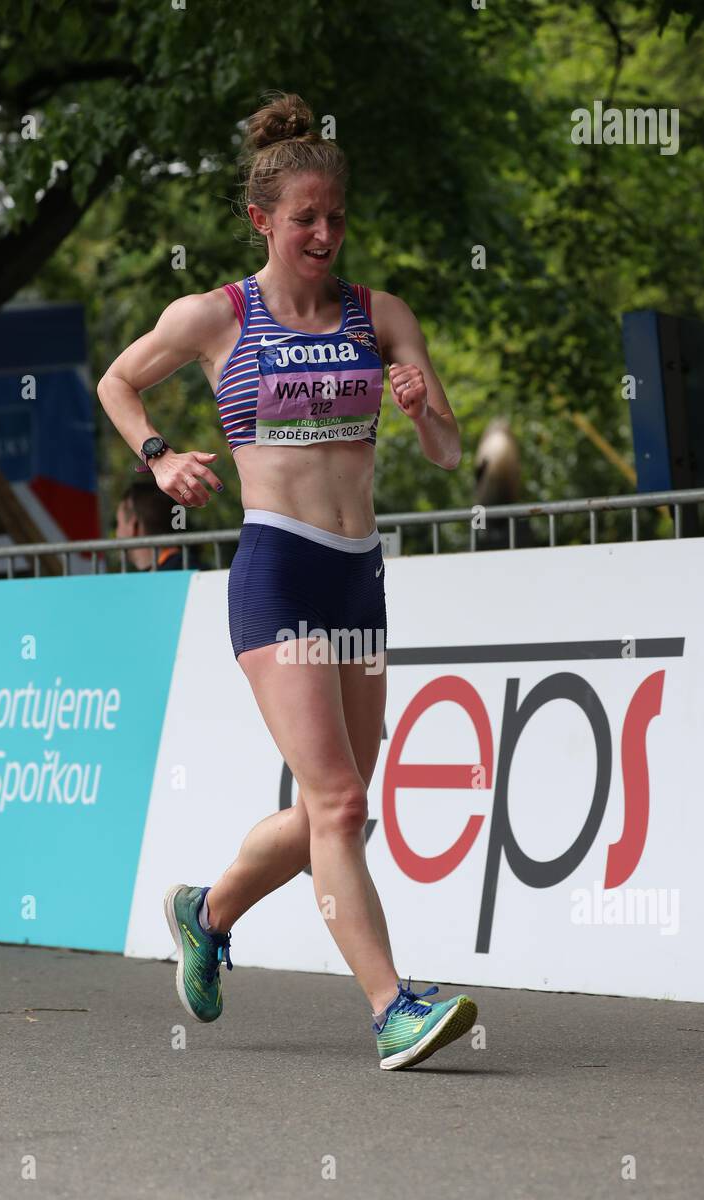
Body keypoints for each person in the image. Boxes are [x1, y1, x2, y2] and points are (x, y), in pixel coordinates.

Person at [96, 92, 477, 1070]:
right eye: (303, 217)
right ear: (261, 219)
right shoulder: (216, 316)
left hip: (360, 580)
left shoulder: (377, 315)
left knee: (327, 807)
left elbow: (443, 454)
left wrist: (421, 402)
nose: (322, 233)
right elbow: (118, 379)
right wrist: (158, 454)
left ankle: (207, 911)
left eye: (335, 217)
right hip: (276, 573)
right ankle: (392, 1006)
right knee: (341, 804)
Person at [115, 480, 197, 570]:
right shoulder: (192, 568)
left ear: (133, 525)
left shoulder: (164, 574)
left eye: (118, 524)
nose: (117, 533)